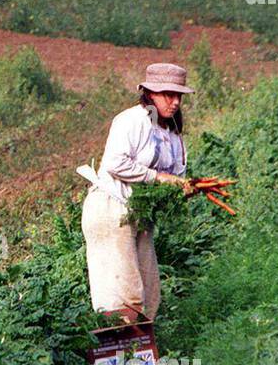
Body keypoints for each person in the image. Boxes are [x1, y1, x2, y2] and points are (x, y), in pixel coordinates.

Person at [80, 63, 195, 324]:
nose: (175, 102)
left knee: (150, 294)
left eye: (178, 96)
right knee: (123, 297)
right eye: (168, 95)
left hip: (139, 213)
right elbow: (114, 163)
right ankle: (117, 357)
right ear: (150, 94)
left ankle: (142, 358)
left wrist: (179, 190)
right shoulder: (132, 120)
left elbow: (174, 176)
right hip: (111, 208)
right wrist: (159, 178)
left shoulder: (172, 134)